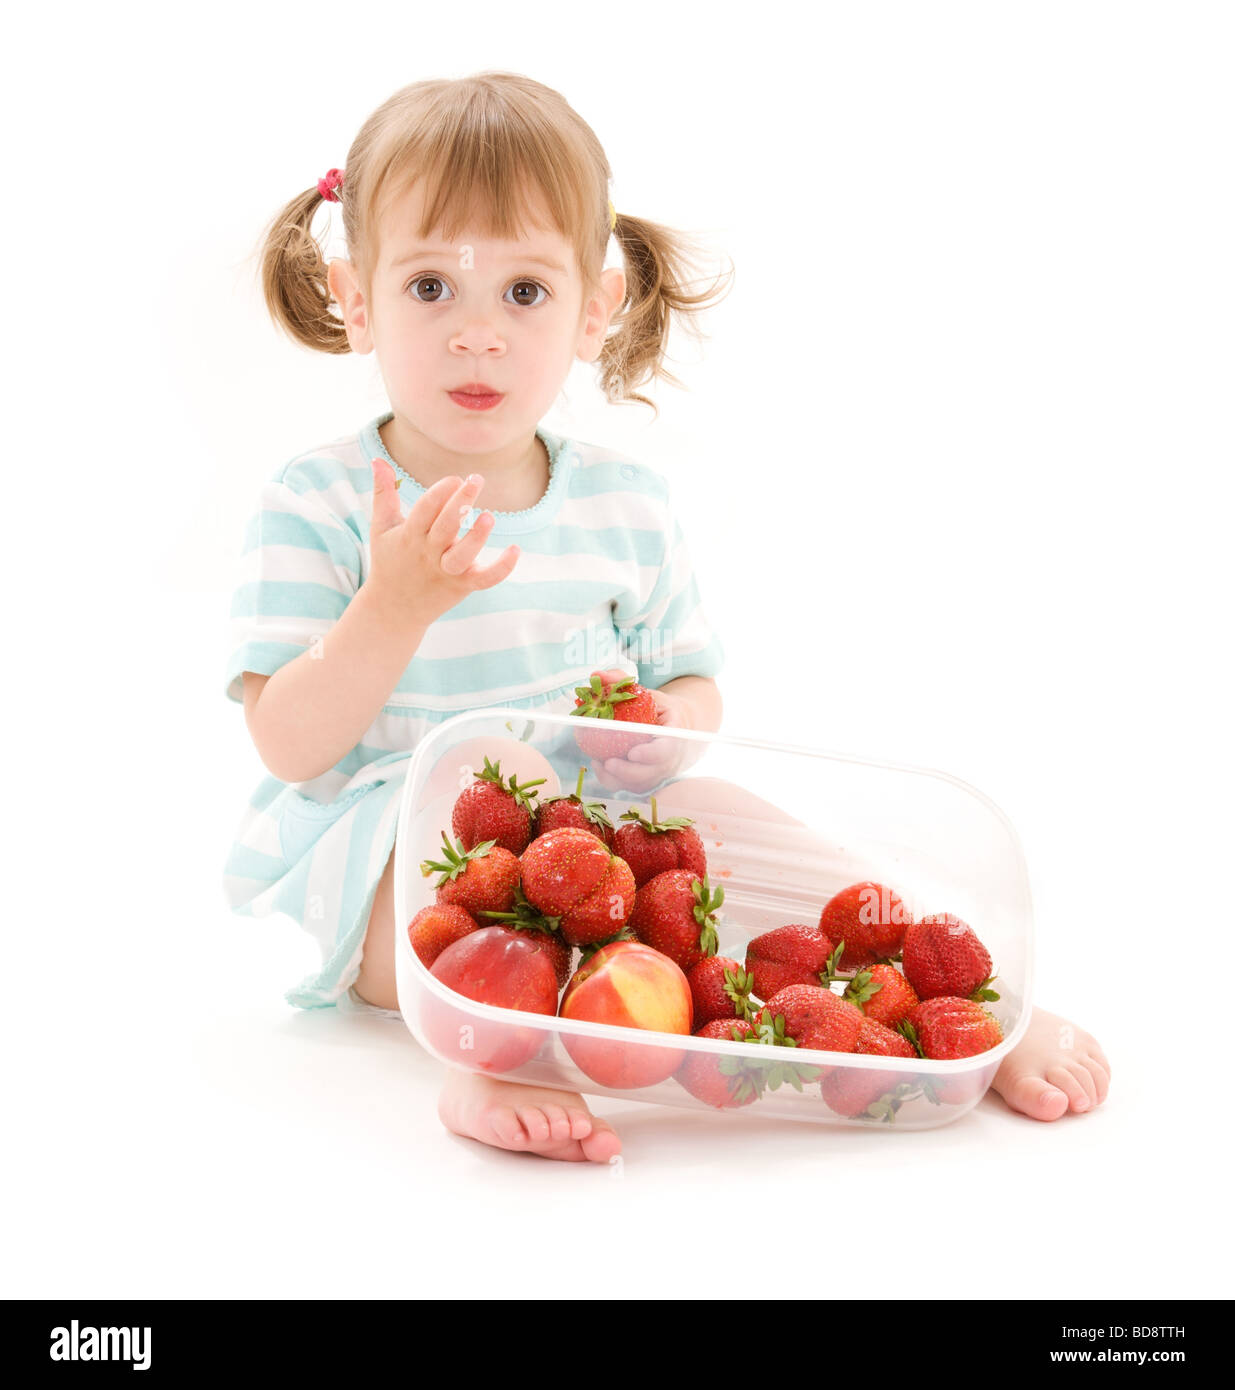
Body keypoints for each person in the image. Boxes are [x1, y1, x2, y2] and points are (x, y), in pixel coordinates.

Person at [223, 71, 1110, 1163]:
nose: (477, 337)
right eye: (428, 288)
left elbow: (692, 688)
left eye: (525, 293)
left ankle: (967, 1011)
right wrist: (389, 608)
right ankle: (486, 1059)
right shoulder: (312, 501)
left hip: (598, 851)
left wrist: (659, 724)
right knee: (489, 776)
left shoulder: (624, 503)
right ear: (354, 296)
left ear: (593, 308)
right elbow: (288, 743)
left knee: (725, 807)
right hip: (392, 870)